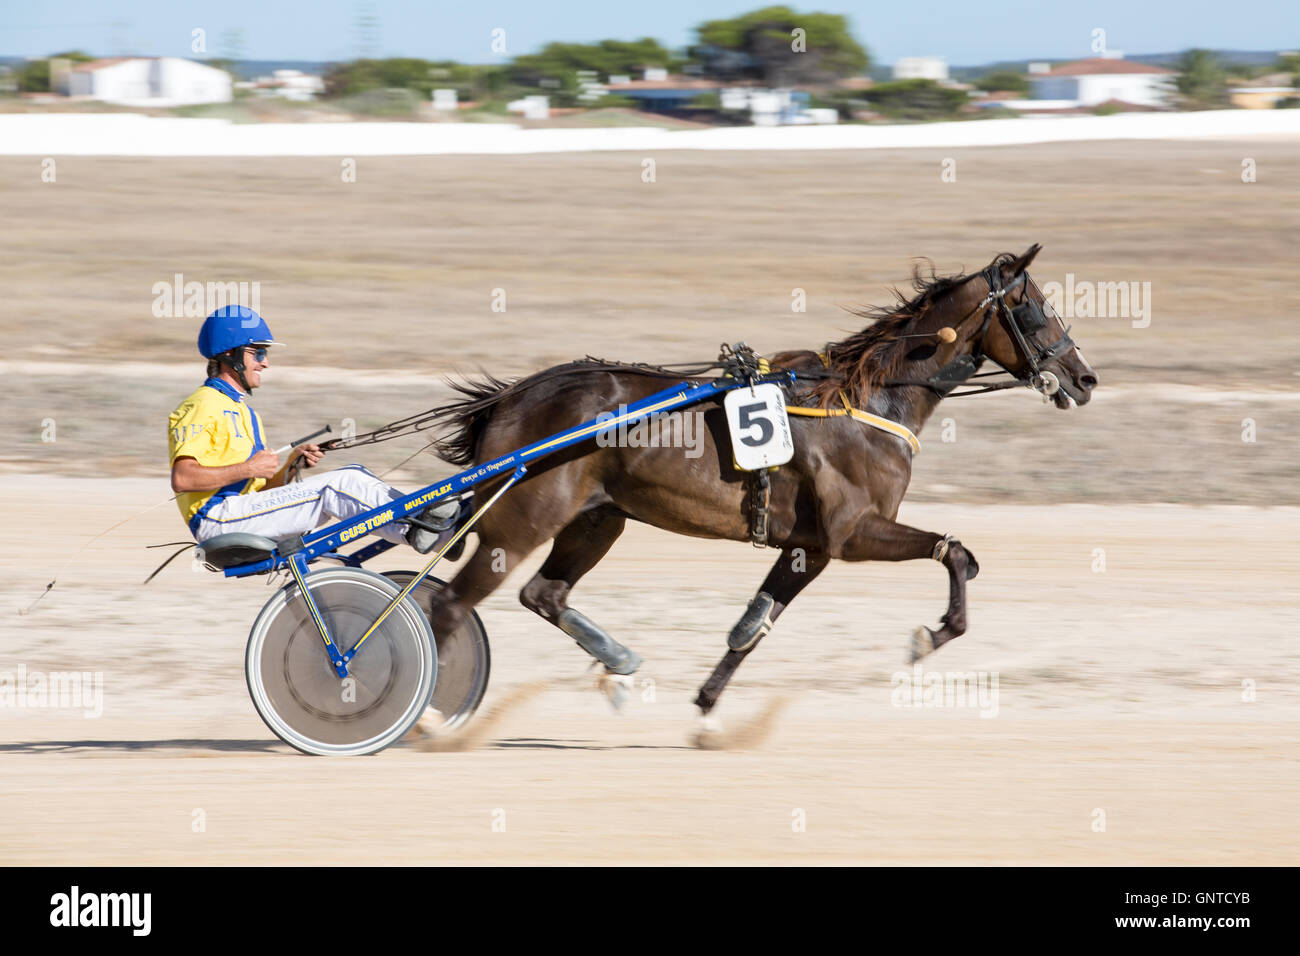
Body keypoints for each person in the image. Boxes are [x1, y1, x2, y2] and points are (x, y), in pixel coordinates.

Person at [168, 305, 460, 554]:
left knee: (354, 473)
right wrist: (249, 468)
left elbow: (263, 491)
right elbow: (183, 478)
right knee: (338, 485)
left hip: (239, 513)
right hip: (216, 520)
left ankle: (428, 526)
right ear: (230, 354)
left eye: (264, 354)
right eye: (258, 353)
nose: (265, 363)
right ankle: (424, 529)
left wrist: (289, 466)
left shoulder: (245, 412)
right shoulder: (203, 405)